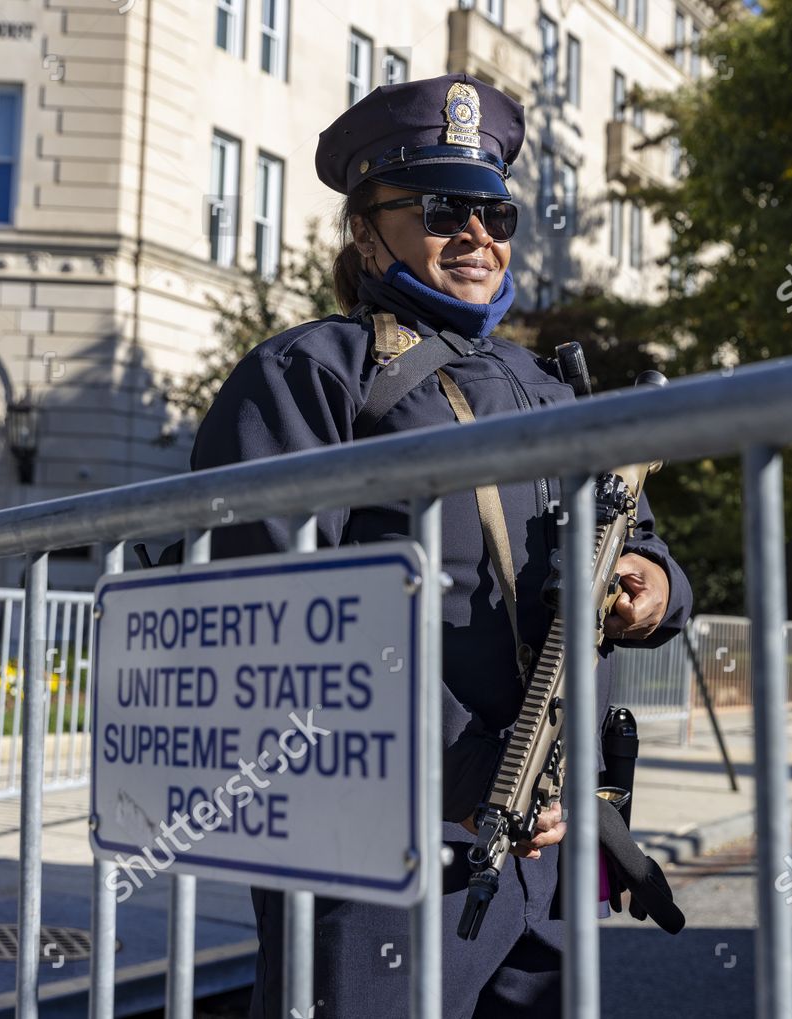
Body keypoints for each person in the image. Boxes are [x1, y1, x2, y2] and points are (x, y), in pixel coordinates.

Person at [189, 73, 693, 1019]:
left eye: (496, 211)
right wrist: (467, 778)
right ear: (365, 229)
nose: (478, 235)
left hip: (549, 852)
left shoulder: (550, 388)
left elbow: (652, 545)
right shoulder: (309, 376)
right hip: (382, 854)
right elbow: (268, 631)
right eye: (442, 208)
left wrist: (653, 587)